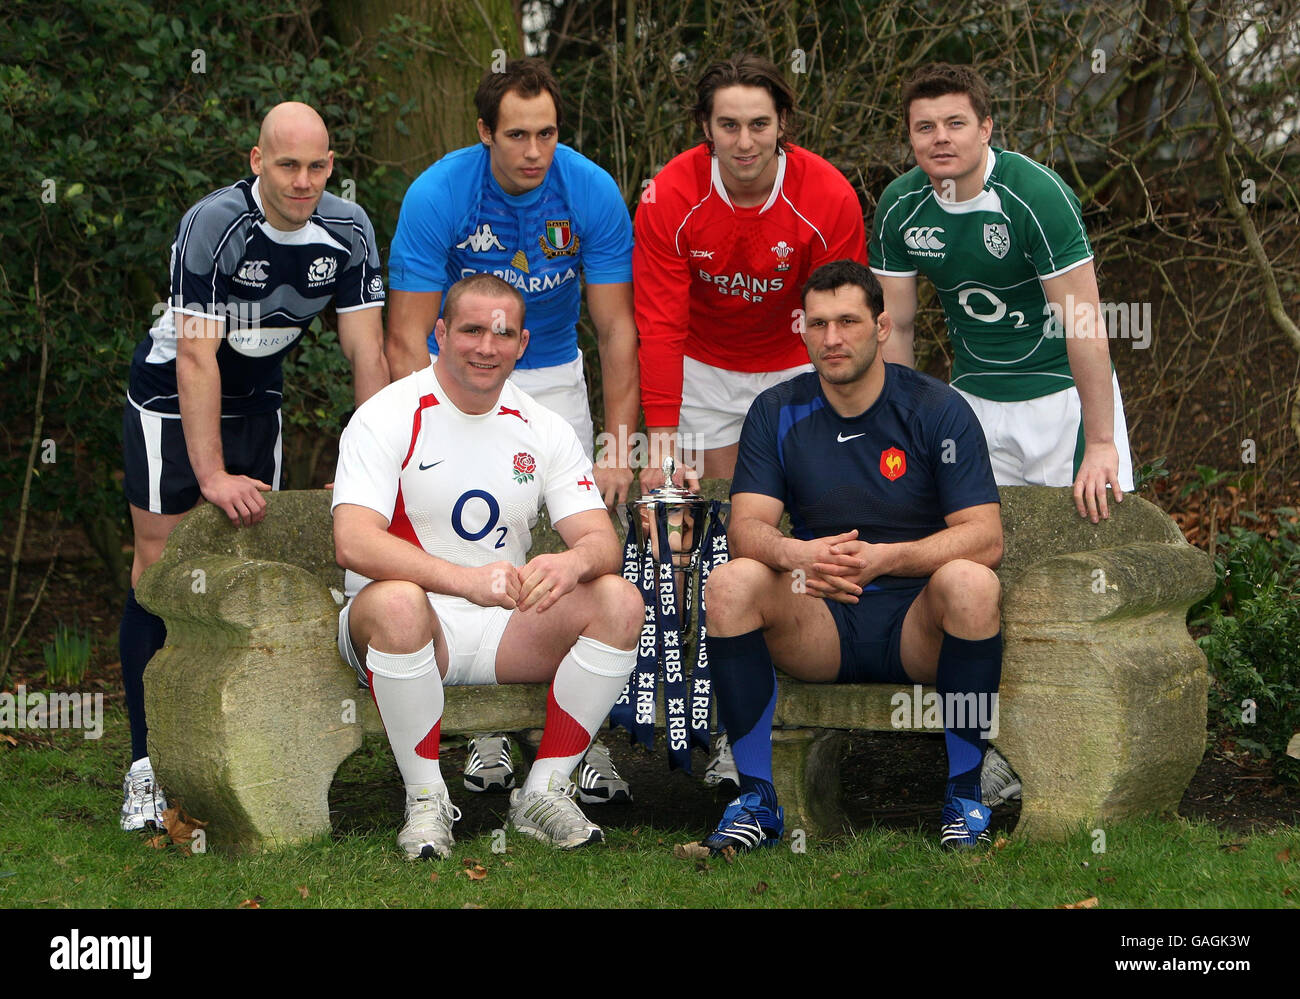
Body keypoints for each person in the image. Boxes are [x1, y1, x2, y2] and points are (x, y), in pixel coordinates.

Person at [118, 102, 388, 831]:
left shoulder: (350, 227)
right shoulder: (214, 223)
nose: (302, 181)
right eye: (286, 164)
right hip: (171, 398)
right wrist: (208, 475)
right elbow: (197, 355)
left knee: (244, 558)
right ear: (256, 160)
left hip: (257, 400)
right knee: (160, 563)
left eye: (317, 165)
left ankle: (223, 744)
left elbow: (368, 354)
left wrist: (369, 466)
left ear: (332, 164)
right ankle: (145, 765)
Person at [385, 58, 639, 803]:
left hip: (554, 368)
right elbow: (407, 336)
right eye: (518, 135)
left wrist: (619, 444)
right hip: (455, 370)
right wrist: (417, 428)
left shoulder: (588, 188)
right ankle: (483, 727)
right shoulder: (439, 193)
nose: (535, 152)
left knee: (581, 554)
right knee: (464, 538)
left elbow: (616, 328)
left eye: (549, 134)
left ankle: (579, 743)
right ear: (484, 133)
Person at [331, 274, 641, 859]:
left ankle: (544, 793)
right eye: (470, 329)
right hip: (398, 628)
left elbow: (603, 542)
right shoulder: (387, 414)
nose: (485, 346)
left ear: (522, 343)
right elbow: (353, 543)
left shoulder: (544, 426)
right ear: (440, 333)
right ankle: (425, 801)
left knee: (619, 601)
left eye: (502, 334)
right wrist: (464, 581)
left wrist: (572, 563)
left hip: (504, 628)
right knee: (399, 602)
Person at [701, 260, 1005, 853]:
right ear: (803, 329)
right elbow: (747, 530)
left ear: (882, 325)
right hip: (821, 618)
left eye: (847, 321)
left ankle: (966, 798)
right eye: (818, 323)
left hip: (918, 623)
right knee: (733, 583)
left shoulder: (937, 409)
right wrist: (799, 554)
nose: (832, 338)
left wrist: (890, 558)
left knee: (971, 583)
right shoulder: (778, 410)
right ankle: (756, 800)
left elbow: (985, 536)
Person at [870, 62, 1134, 526]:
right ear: (910, 136)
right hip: (972, 399)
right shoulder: (899, 206)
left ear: (986, 127)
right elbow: (898, 327)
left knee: (1093, 553)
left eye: (956, 123)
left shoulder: (1037, 195)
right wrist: (901, 424)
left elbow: (1084, 322)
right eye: (925, 127)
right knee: (983, 556)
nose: (940, 138)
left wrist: (1100, 443)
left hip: (1061, 399)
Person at [633, 54, 867, 488]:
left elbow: (844, 319)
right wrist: (661, 450)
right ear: (706, 127)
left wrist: (852, 411)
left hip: (799, 364)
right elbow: (660, 326)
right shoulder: (666, 196)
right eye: (729, 125)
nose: (744, 142)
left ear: (782, 122)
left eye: (759, 124)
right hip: (704, 371)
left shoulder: (829, 195)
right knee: (720, 508)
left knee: (807, 504)